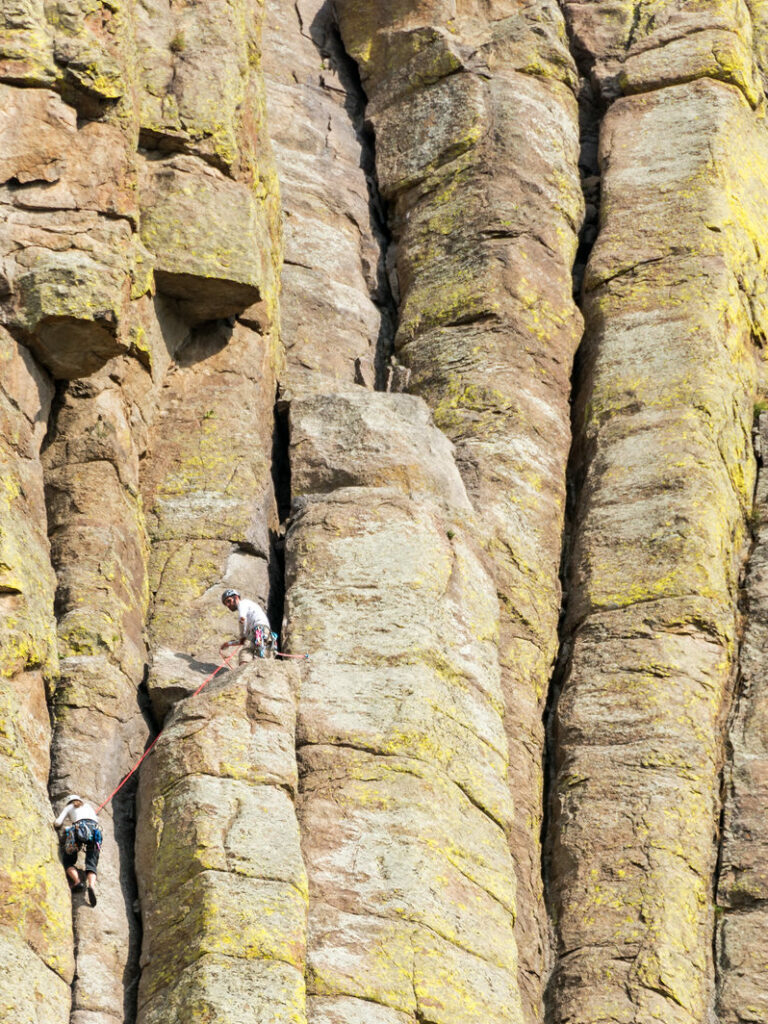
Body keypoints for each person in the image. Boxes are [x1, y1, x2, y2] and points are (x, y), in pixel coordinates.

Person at [54, 794, 102, 907]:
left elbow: (58, 822)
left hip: (78, 831)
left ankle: (77, 882)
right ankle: (91, 885)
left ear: (69, 802)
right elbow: (95, 820)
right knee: (91, 863)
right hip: (95, 832)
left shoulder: (69, 807)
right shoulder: (88, 806)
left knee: (68, 861)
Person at [221, 588, 277, 662]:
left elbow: (242, 619)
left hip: (259, 630)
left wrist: (242, 635)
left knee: (245, 653)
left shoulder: (243, 604)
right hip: (262, 632)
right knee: (258, 654)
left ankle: (244, 670)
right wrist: (229, 643)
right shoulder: (250, 613)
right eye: (226, 604)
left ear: (236, 597)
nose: (228, 605)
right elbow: (244, 640)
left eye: (229, 601)